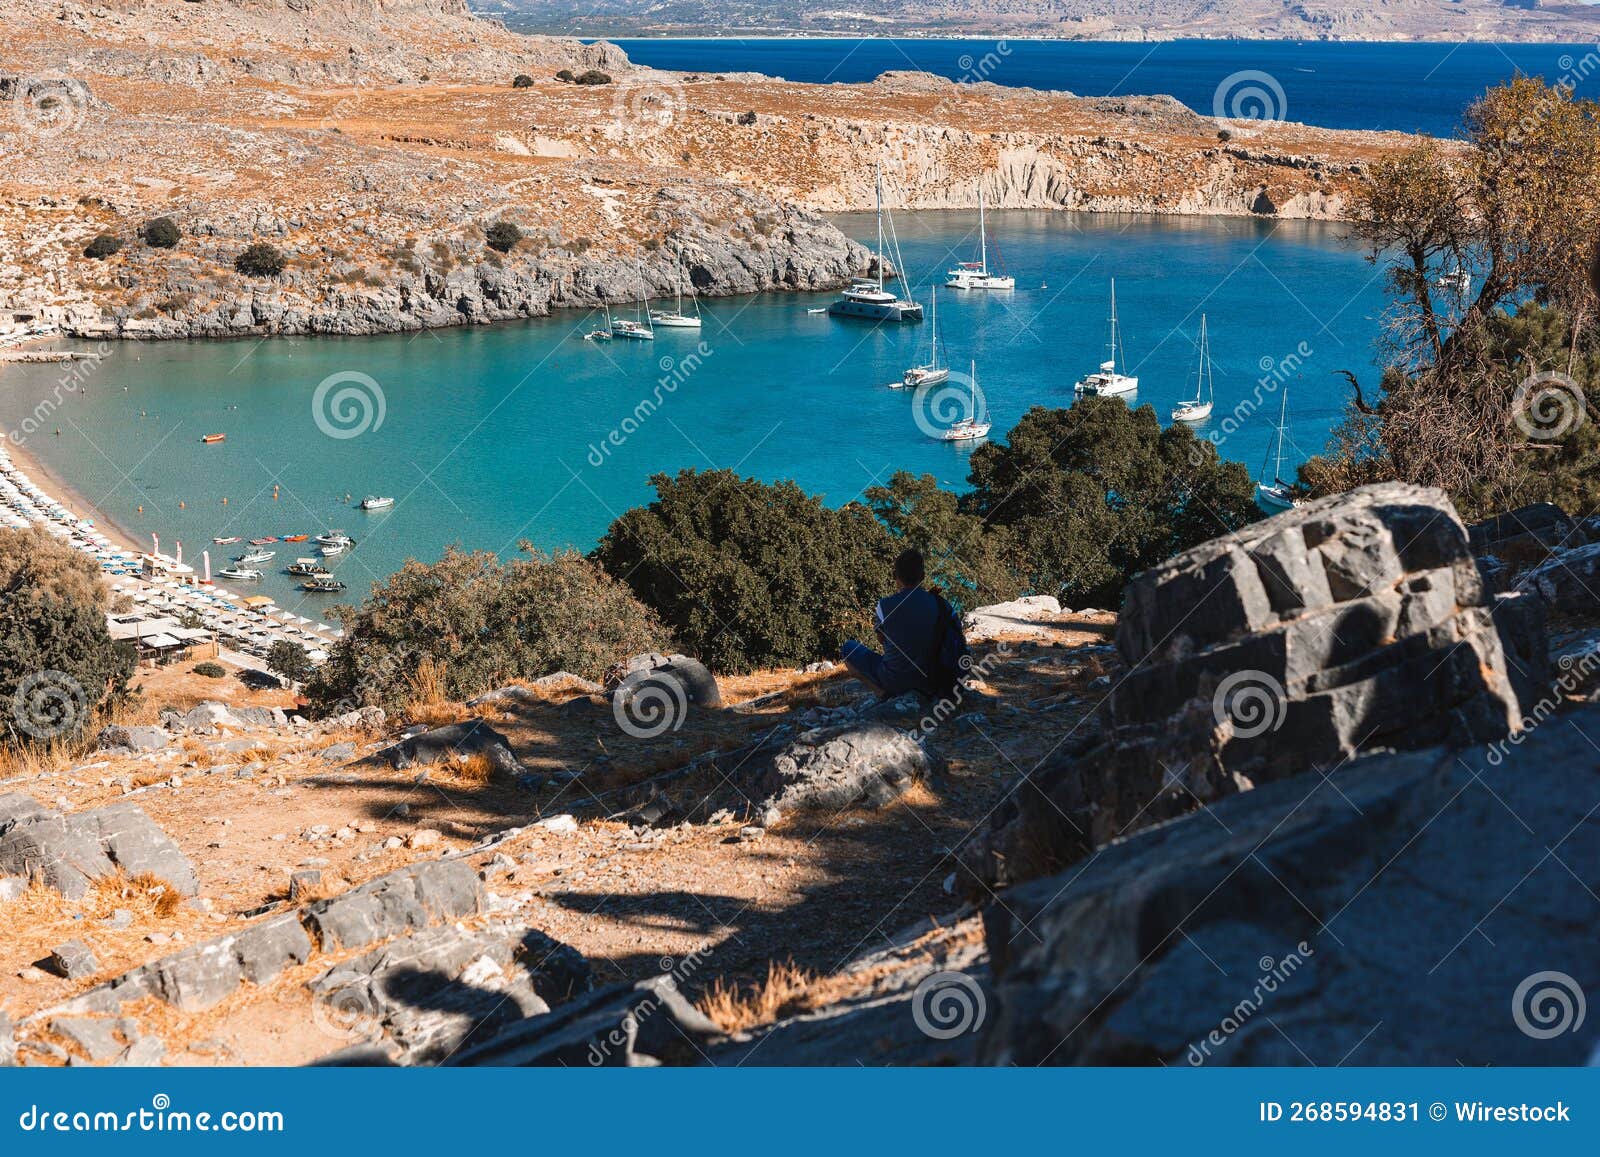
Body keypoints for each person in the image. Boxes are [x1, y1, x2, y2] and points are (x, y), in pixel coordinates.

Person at [841, 548, 949, 698]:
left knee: (848, 648)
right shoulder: (940, 604)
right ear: (923, 576)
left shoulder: (884, 605)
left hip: (894, 680)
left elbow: (881, 639)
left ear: (896, 577)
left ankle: (881, 693)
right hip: (931, 678)